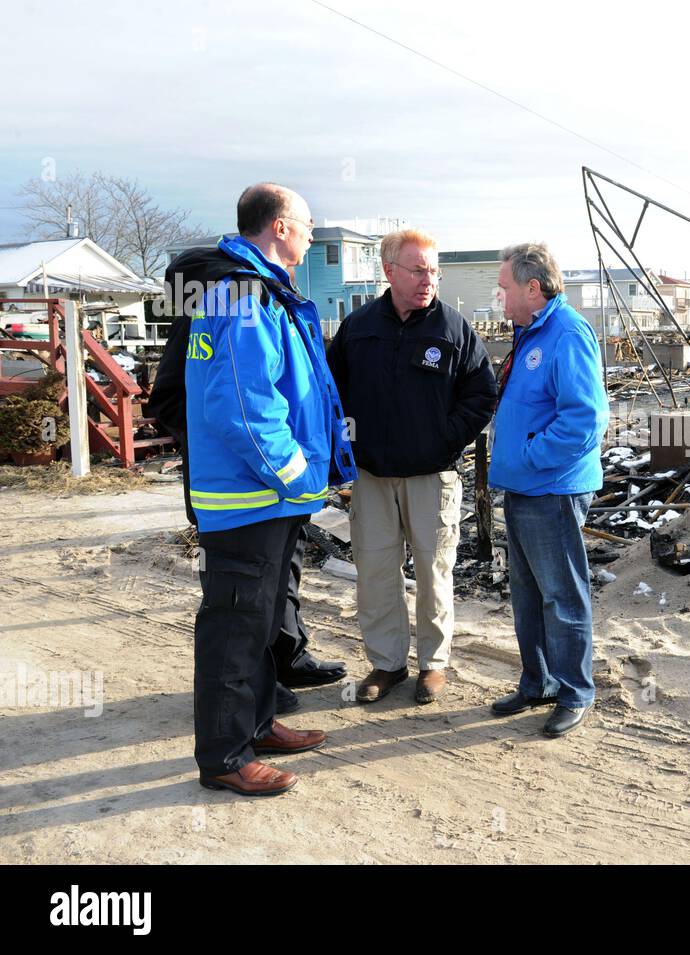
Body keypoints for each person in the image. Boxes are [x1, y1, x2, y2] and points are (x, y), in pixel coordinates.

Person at [184, 183, 356, 796]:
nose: (313, 234)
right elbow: (242, 407)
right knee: (234, 630)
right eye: (308, 224)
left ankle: (257, 723)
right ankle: (225, 757)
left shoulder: (266, 293)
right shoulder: (241, 295)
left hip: (273, 501)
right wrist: (296, 474)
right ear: (279, 226)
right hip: (252, 499)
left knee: (260, 626)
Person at [149, 257, 348, 719]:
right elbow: (179, 400)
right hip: (240, 487)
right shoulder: (218, 313)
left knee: (281, 582)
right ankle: (252, 700)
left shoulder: (271, 306)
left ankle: (285, 661)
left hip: (280, 485)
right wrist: (216, 448)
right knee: (241, 605)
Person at [326, 229, 496, 704]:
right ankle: (387, 664)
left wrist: (444, 437)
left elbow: (482, 394)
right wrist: (345, 449)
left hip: (431, 477)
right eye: (418, 269)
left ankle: (433, 665)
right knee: (376, 573)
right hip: (372, 478)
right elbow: (329, 395)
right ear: (389, 272)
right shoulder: (358, 329)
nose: (428, 279)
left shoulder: (453, 329)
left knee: (434, 572)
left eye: (433, 270)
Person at [488, 243, 608, 738]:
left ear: (532, 288)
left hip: (551, 488)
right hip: (523, 486)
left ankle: (574, 690)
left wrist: (530, 456)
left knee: (561, 596)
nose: (500, 297)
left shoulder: (567, 333)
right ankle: (536, 681)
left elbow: (584, 419)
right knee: (528, 593)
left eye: (505, 288)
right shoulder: (530, 332)